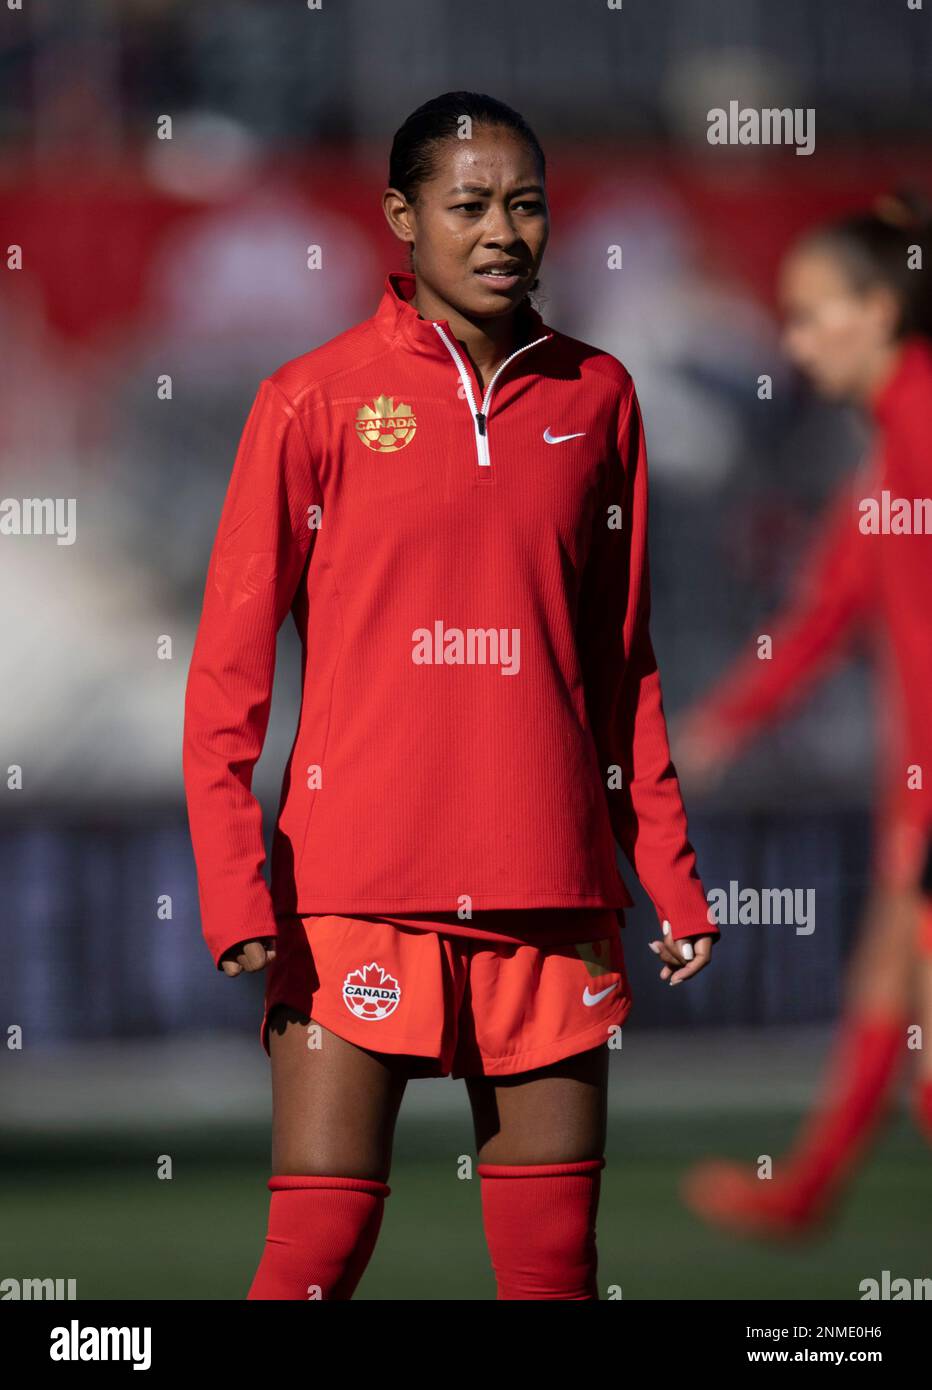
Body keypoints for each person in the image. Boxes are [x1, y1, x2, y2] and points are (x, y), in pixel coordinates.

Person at [182, 91, 718, 1301]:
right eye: (465, 204)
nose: (500, 232)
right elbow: (226, 670)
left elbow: (620, 659)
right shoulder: (308, 399)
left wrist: (668, 868)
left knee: (551, 1276)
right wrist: (232, 880)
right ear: (399, 218)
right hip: (349, 895)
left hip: (552, 889)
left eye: (524, 204)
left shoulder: (599, 398)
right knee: (315, 1259)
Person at [677, 193, 932, 1239]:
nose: (790, 337)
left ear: (876, 311)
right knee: (887, 977)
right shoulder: (892, 438)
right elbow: (829, 605)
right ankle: (808, 1190)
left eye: (810, 310)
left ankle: (806, 1191)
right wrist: (721, 724)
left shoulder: (916, 420)